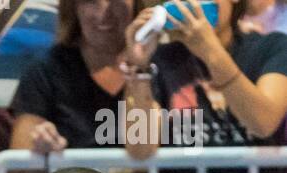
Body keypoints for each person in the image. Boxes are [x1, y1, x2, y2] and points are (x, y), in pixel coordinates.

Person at [122, 0, 287, 156]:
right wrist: (139, 68)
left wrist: (209, 50)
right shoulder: (161, 57)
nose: (197, 4)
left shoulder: (272, 47)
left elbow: (263, 124)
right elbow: (140, 150)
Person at [9, 0, 133, 155]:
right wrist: (39, 150)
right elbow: (19, 172)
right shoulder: (46, 71)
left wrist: (141, 71)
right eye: (91, 1)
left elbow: (143, 150)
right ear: (73, 7)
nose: (104, 13)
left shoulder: (161, 64)